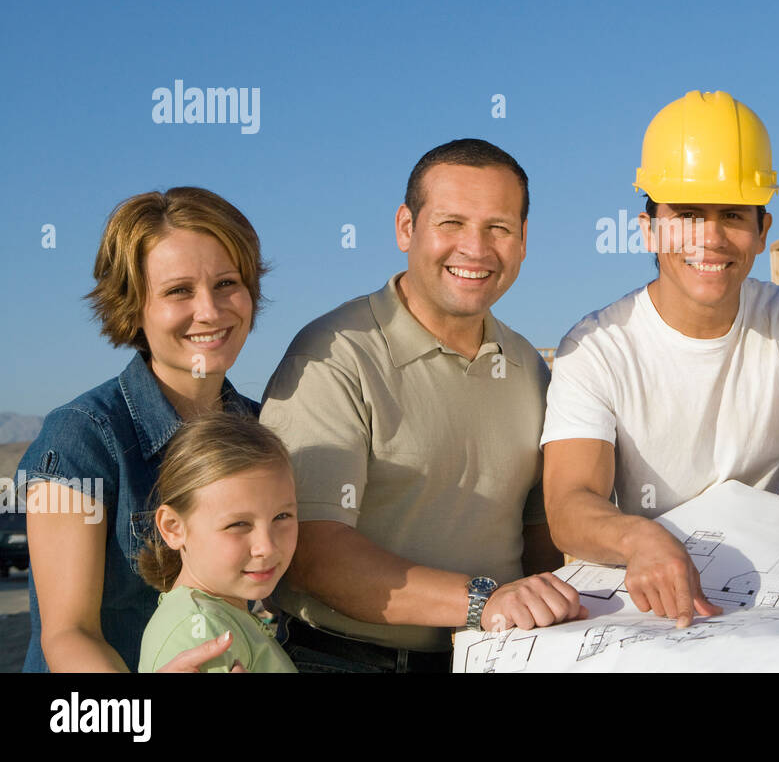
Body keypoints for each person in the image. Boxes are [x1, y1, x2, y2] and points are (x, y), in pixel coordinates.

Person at [543, 90, 779, 628]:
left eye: (732, 214)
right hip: (662, 600)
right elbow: (570, 502)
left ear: (762, 231)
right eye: (687, 214)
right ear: (648, 229)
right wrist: (640, 537)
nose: (710, 239)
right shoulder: (595, 348)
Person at [260, 138, 584, 673]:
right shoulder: (333, 354)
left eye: (498, 228)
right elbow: (311, 549)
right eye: (451, 223)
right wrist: (484, 601)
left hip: (496, 657)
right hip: (346, 660)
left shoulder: (530, 367)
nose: (476, 250)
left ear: (524, 240)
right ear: (406, 228)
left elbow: (540, 535)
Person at [20, 187, 269, 672]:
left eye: (226, 283)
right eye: (179, 291)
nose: (211, 311)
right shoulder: (81, 437)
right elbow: (68, 634)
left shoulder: (265, 429)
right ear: (133, 307)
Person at [137, 413, 298, 672]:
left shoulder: (219, 617)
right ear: (173, 528)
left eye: (282, 516)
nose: (266, 546)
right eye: (238, 524)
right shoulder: (203, 631)